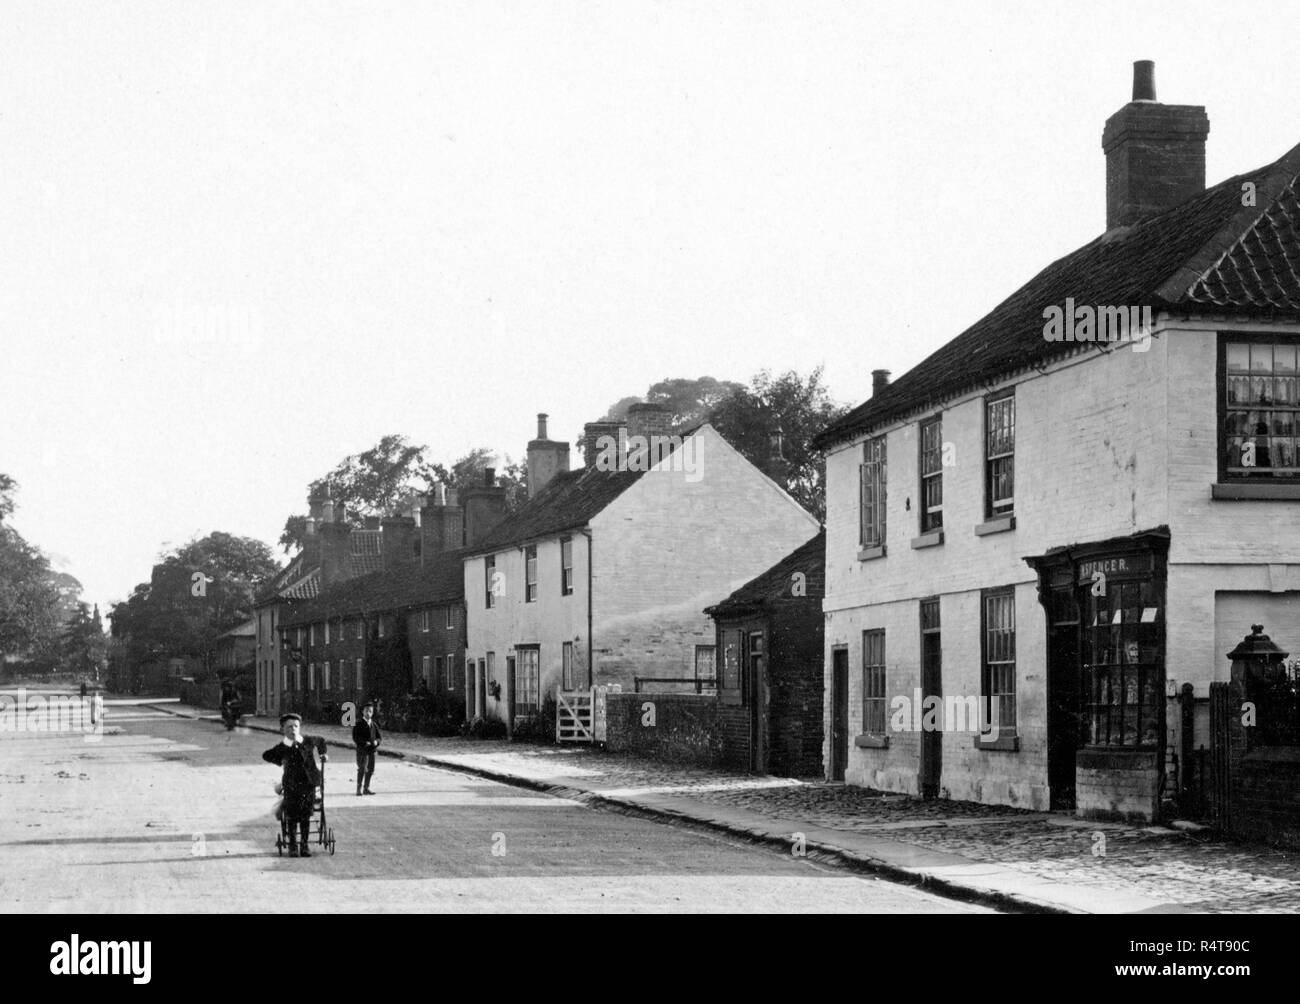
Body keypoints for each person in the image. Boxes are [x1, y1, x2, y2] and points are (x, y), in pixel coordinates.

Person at [263, 713, 327, 856]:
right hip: (291, 786)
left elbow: (321, 741)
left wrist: (323, 754)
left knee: (305, 815)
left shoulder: (307, 741)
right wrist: (280, 761)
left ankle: (304, 846)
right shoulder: (282, 747)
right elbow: (266, 755)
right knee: (291, 815)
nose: (293, 730)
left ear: (300, 728)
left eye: (296, 726)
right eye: (289, 727)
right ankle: (293, 845)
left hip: (308, 784)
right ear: (283, 729)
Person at [351, 700, 381, 796]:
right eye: (366, 711)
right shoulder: (358, 724)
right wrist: (364, 743)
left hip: (372, 750)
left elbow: (379, 737)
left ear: (372, 713)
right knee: (362, 768)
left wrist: (376, 741)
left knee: (371, 769)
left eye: (370, 711)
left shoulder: (374, 725)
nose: (368, 713)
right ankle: (358, 789)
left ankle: (366, 788)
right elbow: (355, 737)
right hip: (362, 750)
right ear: (363, 712)